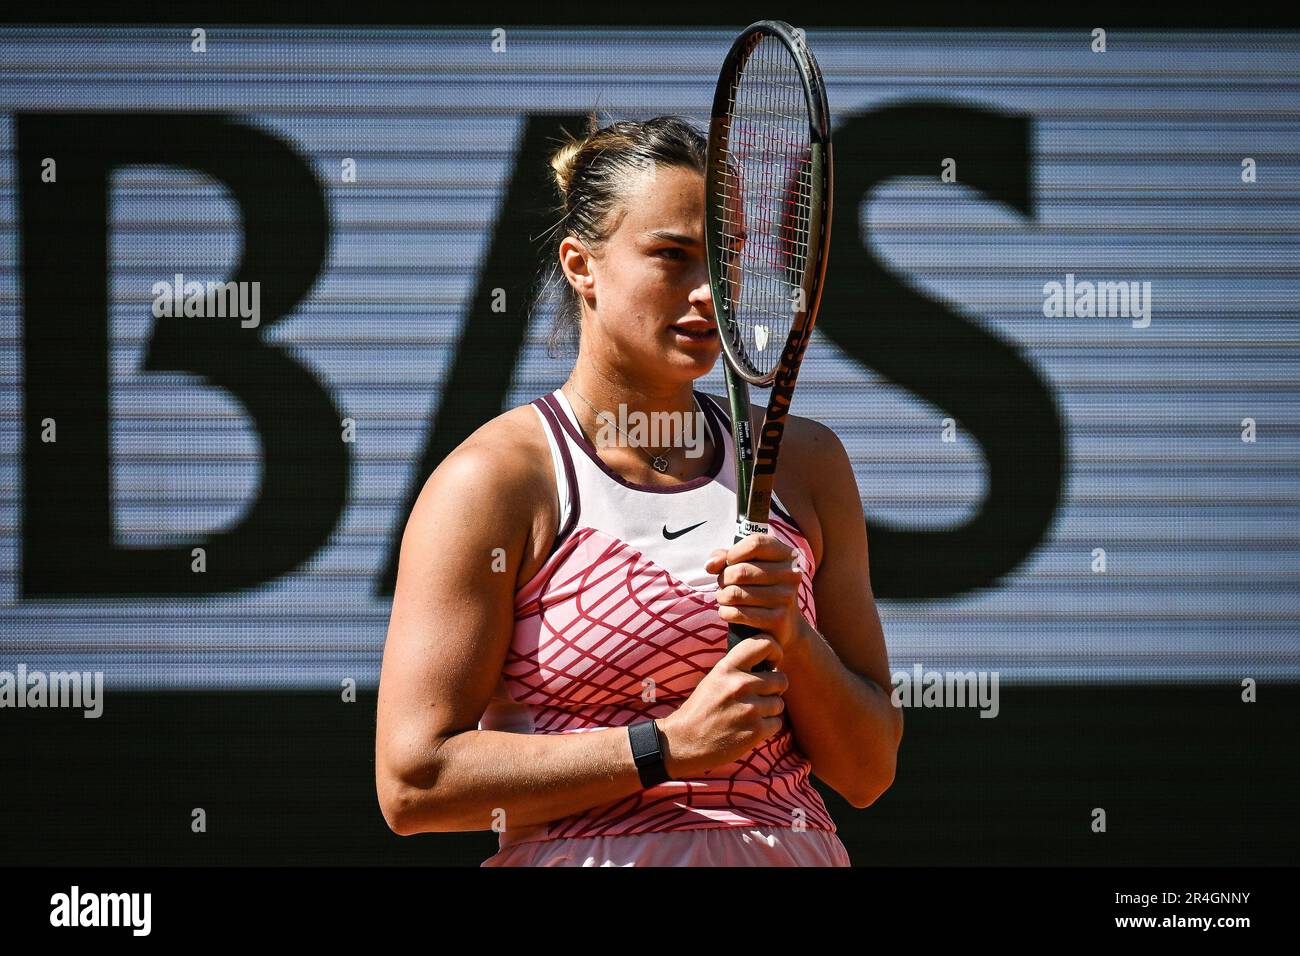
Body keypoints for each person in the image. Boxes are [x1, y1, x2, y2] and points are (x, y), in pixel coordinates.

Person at [375, 114, 902, 866]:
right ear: (581, 265)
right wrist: (665, 748)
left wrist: (793, 634)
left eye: (723, 261)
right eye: (671, 257)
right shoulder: (493, 481)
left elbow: (868, 771)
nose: (706, 294)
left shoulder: (807, 463)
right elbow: (413, 785)